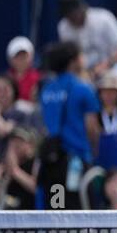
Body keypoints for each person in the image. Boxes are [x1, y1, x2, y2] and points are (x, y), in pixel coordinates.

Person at [37, 41, 101, 208]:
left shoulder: (46, 90)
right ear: (73, 61)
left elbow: (45, 124)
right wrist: (92, 152)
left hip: (52, 163)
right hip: (76, 162)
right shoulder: (83, 89)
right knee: (80, 214)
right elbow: (91, 127)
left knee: (56, 211)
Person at [57, 0, 117, 77]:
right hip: (84, 73)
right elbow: (70, 57)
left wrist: (106, 65)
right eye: (68, 15)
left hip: (112, 68)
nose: (71, 18)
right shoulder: (63, 26)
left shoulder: (104, 18)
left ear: (81, 10)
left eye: (73, 14)